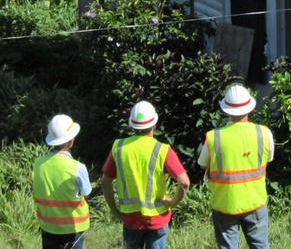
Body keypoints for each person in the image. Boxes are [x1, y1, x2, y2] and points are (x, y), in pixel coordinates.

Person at [102, 101, 190, 249]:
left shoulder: (119, 147)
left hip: (130, 219)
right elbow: (185, 182)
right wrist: (173, 203)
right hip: (158, 219)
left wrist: (115, 210)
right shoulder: (162, 149)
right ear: (154, 124)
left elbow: (105, 182)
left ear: (132, 125)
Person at [198, 85, 274, 249]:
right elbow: (269, 158)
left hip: (224, 204)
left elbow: (202, 164)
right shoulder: (264, 133)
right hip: (255, 201)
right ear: (250, 107)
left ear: (226, 110)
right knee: (260, 245)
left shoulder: (213, 137)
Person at [32, 114, 91, 249]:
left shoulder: (38, 164)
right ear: (71, 141)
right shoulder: (77, 167)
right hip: (74, 225)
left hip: (48, 225)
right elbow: (87, 193)